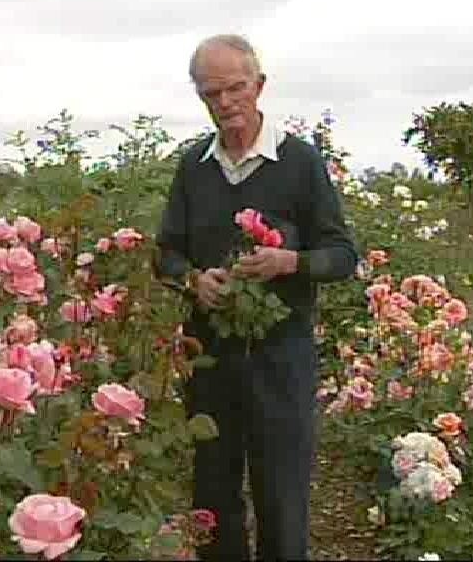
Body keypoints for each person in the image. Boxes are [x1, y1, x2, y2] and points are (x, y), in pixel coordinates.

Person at [156, 34, 358, 561]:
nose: (224, 103)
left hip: (281, 358)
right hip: (210, 359)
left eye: (235, 88)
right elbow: (165, 254)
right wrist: (193, 279)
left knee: (282, 499)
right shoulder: (193, 167)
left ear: (259, 85)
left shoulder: (299, 163)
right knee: (214, 498)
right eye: (211, 93)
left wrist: (291, 262)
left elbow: (342, 254)